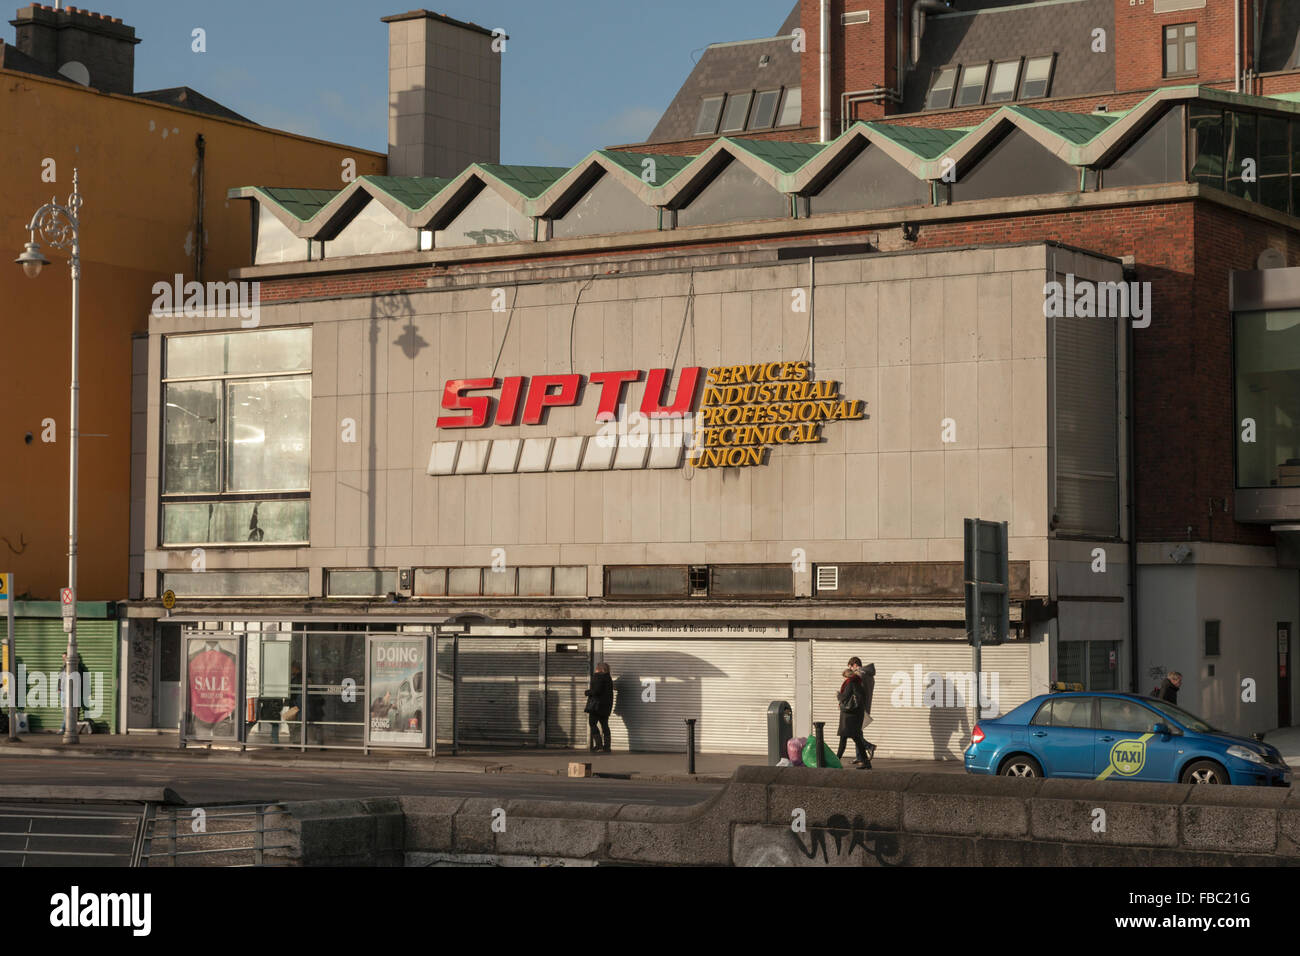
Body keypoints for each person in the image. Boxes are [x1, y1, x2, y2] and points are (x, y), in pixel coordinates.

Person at [836, 665, 871, 769]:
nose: (844, 680)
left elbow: (845, 697)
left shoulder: (850, 683)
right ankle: (866, 762)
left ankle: (836, 760)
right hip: (854, 715)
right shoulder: (858, 682)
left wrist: (839, 695)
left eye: (844, 677)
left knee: (850, 738)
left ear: (847, 676)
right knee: (853, 738)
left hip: (850, 716)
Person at [849, 657, 878, 761]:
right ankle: (860, 757)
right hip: (865, 706)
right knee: (858, 732)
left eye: (851, 668)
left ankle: (868, 746)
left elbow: (856, 692)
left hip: (859, 708)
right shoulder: (869, 675)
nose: (851, 671)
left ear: (855, 665)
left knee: (854, 732)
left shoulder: (860, 674)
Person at [584, 661, 613, 753]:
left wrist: (587, 692)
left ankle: (599, 745)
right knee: (605, 726)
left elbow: (596, 691)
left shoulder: (598, 677)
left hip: (596, 706)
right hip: (606, 706)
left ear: (599, 669)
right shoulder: (608, 678)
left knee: (592, 723)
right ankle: (607, 747)